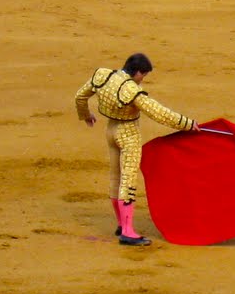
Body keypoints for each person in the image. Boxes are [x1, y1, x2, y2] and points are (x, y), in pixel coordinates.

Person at [74, 53, 199, 247]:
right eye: (144, 75)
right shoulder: (131, 90)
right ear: (138, 72)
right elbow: (159, 113)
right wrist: (187, 124)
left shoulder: (104, 75)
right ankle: (127, 231)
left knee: (115, 177)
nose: (143, 79)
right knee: (128, 180)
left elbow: (80, 96)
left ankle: (120, 224)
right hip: (128, 134)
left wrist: (85, 115)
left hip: (110, 130)